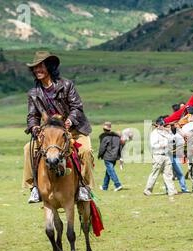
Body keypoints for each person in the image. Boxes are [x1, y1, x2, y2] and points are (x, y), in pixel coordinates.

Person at [22, 51, 95, 203]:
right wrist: (34, 127)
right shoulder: (34, 93)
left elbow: (77, 106)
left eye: (41, 67)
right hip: (50, 134)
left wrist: (69, 120)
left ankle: (84, 186)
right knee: (28, 148)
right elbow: (32, 116)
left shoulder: (66, 85)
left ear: (50, 67)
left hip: (74, 130)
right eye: (35, 68)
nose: (37, 71)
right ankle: (34, 187)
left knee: (86, 151)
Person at [143, 117, 177, 198]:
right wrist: (161, 145)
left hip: (167, 155)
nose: (163, 126)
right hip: (158, 155)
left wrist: (170, 132)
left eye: (164, 125)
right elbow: (153, 145)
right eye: (162, 125)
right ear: (158, 125)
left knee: (168, 174)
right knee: (155, 173)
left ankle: (171, 190)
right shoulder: (154, 133)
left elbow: (172, 139)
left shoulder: (166, 132)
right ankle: (147, 190)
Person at [98, 121, 123, 191]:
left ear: (104, 129)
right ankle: (104, 187)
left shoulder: (104, 136)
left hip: (108, 157)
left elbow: (102, 148)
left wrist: (99, 155)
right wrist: (120, 156)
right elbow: (120, 146)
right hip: (115, 156)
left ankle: (118, 184)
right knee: (108, 171)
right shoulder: (116, 136)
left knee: (111, 171)